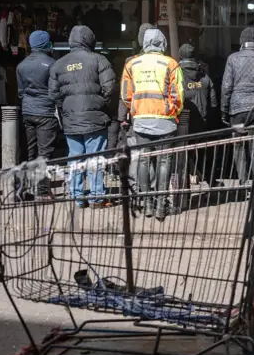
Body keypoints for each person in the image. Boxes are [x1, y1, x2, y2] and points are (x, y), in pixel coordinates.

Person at [49, 25, 115, 208]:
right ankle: (96, 197)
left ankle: (77, 196)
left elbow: (53, 94)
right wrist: (101, 104)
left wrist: (67, 109)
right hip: (95, 118)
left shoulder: (58, 64)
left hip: (71, 120)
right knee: (95, 157)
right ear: (90, 39)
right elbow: (109, 87)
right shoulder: (99, 60)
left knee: (75, 157)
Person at [121, 29, 183, 220]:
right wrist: (172, 112)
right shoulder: (171, 64)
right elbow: (178, 95)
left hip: (141, 121)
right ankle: (160, 206)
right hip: (165, 120)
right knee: (165, 161)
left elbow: (125, 95)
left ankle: (147, 204)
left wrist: (136, 111)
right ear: (162, 43)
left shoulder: (131, 64)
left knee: (144, 160)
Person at [220, 26, 254, 180]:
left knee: (239, 145)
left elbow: (226, 87)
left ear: (242, 41)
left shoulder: (233, 58)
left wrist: (224, 111)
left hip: (237, 111)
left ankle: (243, 183)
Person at [16, 31, 60, 165]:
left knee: (31, 151)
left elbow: (20, 92)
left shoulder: (21, 65)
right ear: (46, 43)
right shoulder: (52, 64)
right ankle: (42, 185)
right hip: (46, 112)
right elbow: (55, 91)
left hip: (28, 111)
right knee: (45, 152)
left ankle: (31, 182)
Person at [176, 43, 217, 135]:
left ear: (180, 56)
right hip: (202, 123)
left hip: (182, 125)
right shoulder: (204, 75)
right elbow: (213, 102)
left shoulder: (176, 75)